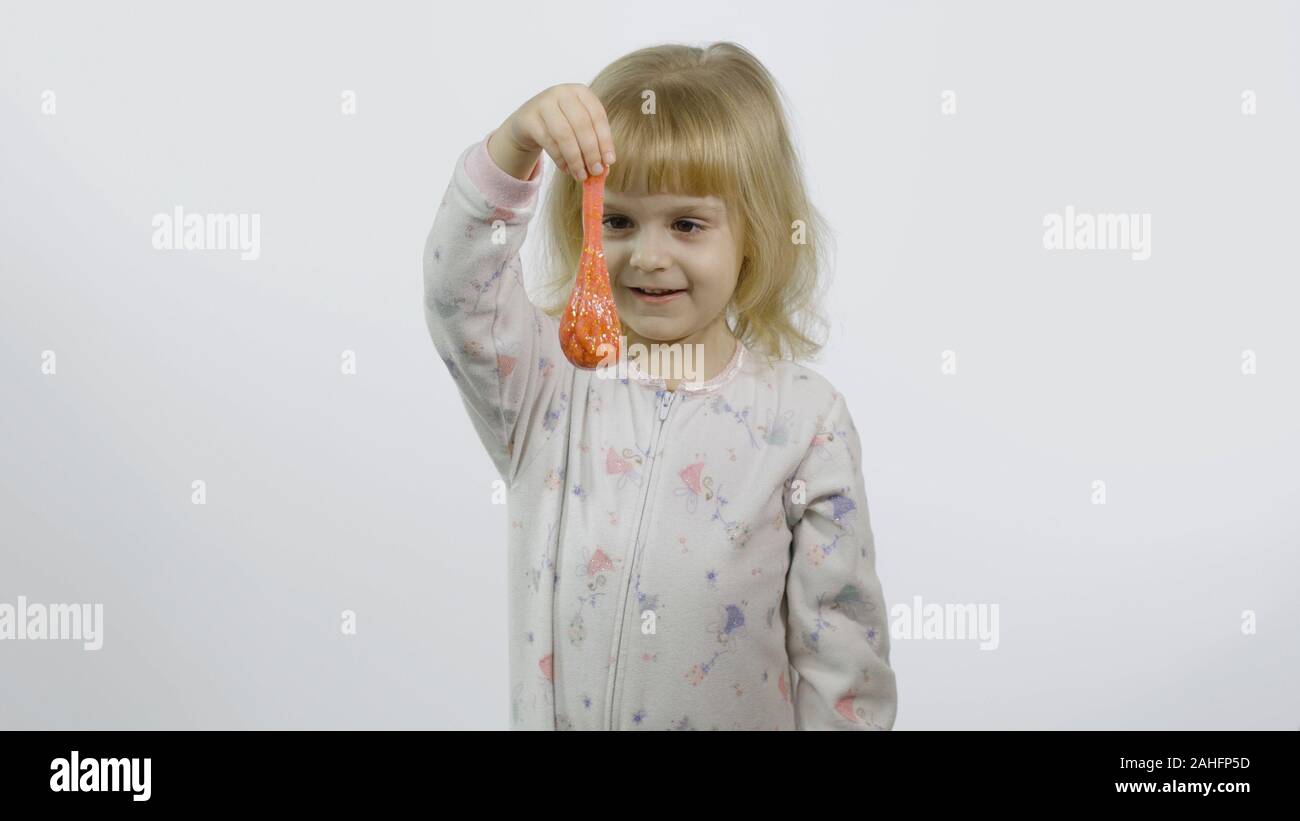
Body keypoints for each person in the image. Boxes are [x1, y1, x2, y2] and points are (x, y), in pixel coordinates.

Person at [422, 41, 897, 730]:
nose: (648, 255)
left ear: (753, 236)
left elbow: (843, 662)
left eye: (687, 223)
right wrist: (514, 145)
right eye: (616, 220)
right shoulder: (543, 385)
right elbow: (456, 293)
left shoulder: (803, 421)